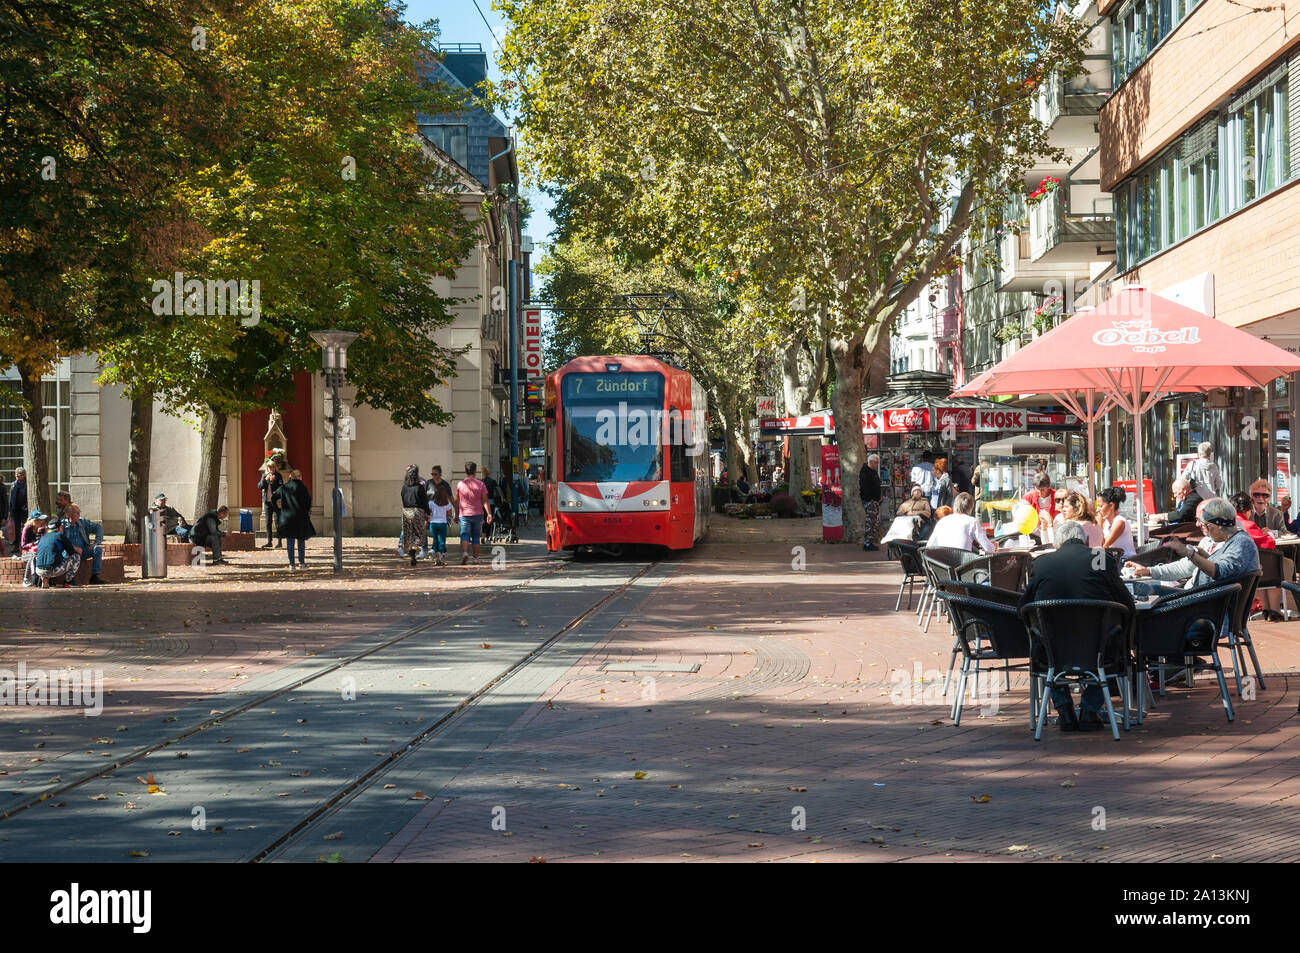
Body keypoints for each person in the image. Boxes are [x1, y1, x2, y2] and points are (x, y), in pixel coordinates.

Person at [1020, 520, 1135, 731]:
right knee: (1117, 646)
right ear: (1087, 540)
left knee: (1042, 646)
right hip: (1099, 647)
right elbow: (1125, 602)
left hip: (1053, 649)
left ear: (1057, 544)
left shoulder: (1043, 563)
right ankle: (1090, 710)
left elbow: (1024, 605)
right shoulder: (1098, 557)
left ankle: (1064, 710)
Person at [1126, 497, 1261, 593]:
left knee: (1147, 592)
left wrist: (1189, 553)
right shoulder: (1232, 542)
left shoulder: (1241, 543)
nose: (1201, 527)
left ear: (1218, 525)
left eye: (1205, 524)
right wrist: (1148, 571)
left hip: (1203, 606)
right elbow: (1225, 568)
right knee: (1141, 591)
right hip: (1200, 598)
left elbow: (1219, 572)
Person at [925, 492, 994, 553]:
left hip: (941, 565)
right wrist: (994, 546)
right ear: (971, 507)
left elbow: (929, 547)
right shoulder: (972, 521)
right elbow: (989, 548)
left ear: (954, 505)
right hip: (963, 565)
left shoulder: (942, 521)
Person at [454, 461, 491, 565]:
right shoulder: (481, 484)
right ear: (475, 471)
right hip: (478, 514)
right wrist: (489, 513)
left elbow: (457, 501)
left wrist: (456, 514)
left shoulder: (460, 484)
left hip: (464, 514)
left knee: (464, 535)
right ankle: (475, 558)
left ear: (465, 471)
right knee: (475, 536)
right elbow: (485, 500)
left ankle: (465, 553)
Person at [276, 469, 315, 569]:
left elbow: (273, 497)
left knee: (290, 542)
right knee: (301, 540)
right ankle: (301, 563)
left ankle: (291, 564)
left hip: (288, 518)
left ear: (290, 477)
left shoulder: (284, 487)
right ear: (299, 477)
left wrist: (279, 507)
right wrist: (306, 512)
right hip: (300, 518)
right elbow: (309, 501)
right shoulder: (303, 487)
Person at [61, 504, 107, 584]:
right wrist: (73, 548)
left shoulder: (83, 522)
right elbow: (60, 540)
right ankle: (69, 580)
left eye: (79, 512)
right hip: (69, 552)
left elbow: (98, 528)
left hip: (83, 551)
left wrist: (96, 542)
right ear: (68, 514)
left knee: (97, 549)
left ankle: (94, 577)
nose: (78, 514)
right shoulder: (62, 525)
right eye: (76, 512)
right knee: (66, 554)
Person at [33, 521, 78, 588]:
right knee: (76, 557)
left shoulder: (42, 537)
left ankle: (44, 577)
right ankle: (69, 582)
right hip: (54, 570)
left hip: (38, 570)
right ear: (60, 527)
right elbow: (72, 552)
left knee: (40, 557)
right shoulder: (60, 536)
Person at [1097, 486, 1135, 559]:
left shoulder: (1119, 522)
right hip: (1113, 559)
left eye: (1100, 506)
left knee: (1096, 564)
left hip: (1125, 560)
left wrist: (1099, 525)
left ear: (1111, 505)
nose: (1097, 510)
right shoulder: (1106, 522)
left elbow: (1104, 546)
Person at [257, 459, 284, 549]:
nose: (271, 468)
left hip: (276, 502)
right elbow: (259, 486)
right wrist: (266, 480)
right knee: (268, 522)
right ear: (267, 468)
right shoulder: (265, 475)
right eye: (269, 467)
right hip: (267, 503)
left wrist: (274, 481)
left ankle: (279, 542)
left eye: (272, 466)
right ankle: (269, 542)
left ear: (275, 467)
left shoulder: (278, 475)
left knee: (277, 522)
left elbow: (281, 488)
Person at [427, 482, 455, 567]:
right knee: (441, 541)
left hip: (433, 523)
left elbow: (429, 512)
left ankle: (433, 553)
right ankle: (440, 557)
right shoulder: (447, 503)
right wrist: (443, 514)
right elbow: (449, 514)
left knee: (435, 540)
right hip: (442, 523)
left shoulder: (431, 503)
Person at [18, 511, 48, 587]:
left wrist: (41, 533)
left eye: (42, 520)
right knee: (33, 556)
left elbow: (45, 541)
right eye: (40, 520)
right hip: (26, 552)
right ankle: (26, 579)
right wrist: (33, 543)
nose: (42, 522)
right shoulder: (27, 528)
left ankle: (42, 579)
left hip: (38, 551)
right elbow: (23, 545)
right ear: (35, 521)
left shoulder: (42, 528)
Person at [859, 453, 882, 552]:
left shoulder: (873, 471)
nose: (877, 465)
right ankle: (867, 543)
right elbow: (864, 487)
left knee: (874, 522)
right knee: (870, 522)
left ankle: (871, 541)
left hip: (875, 500)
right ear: (871, 462)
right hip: (870, 501)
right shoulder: (865, 471)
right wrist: (870, 499)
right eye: (876, 463)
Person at [9, 467, 28, 539]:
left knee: (25, 527)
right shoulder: (13, 484)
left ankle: (25, 543)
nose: (17, 475)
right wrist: (10, 510)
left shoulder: (27, 484)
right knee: (16, 528)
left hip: (24, 510)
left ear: (23, 475)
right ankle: (16, 545)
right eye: (16, 473)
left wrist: (26, 507)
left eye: (19, 474)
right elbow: (11, 498)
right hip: (15, 510)